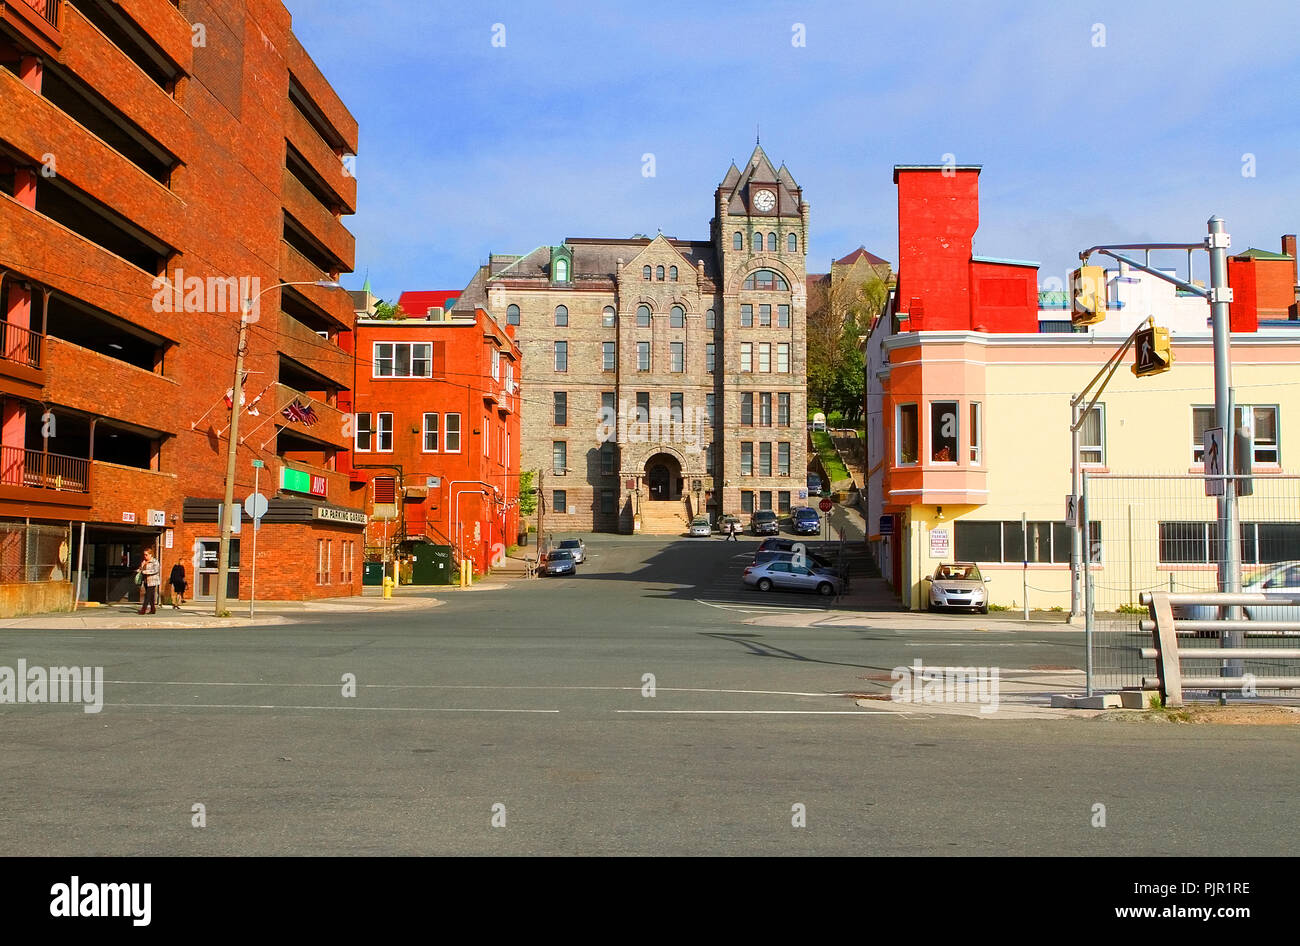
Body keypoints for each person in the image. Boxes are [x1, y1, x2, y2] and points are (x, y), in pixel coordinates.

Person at [137, 548, 161, 615]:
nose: (145, 556)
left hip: (152, 581)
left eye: (146, 555)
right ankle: (153, 609)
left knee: (147, 595)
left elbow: (155, 570)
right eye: (144, 555)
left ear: (150, 554)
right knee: (151, 596)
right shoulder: (144, 562)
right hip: (145, 580)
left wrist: (145, 572)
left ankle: (143, 610)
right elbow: (141, 569)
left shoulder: (155, 562)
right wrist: (140, 569)